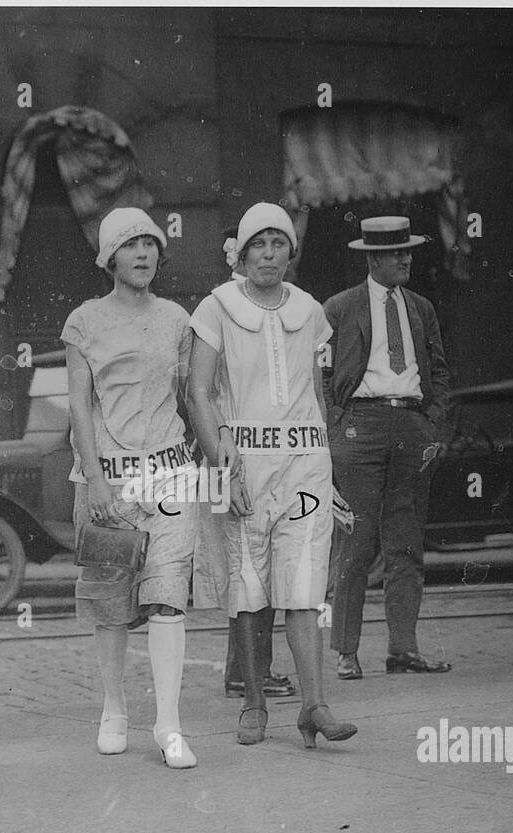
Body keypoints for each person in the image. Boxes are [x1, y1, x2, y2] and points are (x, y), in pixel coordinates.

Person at [188, 202, 357, 748]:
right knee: (248, 584)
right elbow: (197, 392)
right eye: (257, 243)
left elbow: (315, 391)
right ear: (239, 251)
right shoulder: (216, 308)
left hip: (304, 462)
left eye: (277, 243)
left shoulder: (309, 310)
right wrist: (222, 465)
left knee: (304, 583)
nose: (267, 253)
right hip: (239, 462)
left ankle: (315, 705)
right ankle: (255, 702)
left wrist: (323, 467)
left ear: (290, 252)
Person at [65, 207, 197, 768]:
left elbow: (193, 396)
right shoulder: (84, 322)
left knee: (168, 598)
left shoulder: (176, 319)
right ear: (109, 257)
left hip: (170, 476)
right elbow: (78, 406)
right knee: (111, 605)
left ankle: (168, 724)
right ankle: (114, 709)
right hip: (109, 483)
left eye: (150, 244)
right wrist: (95, 479)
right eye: (131, 245)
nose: (143, 254)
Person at [324, 216, 453, 680]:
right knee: (356, 542)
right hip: (361, 426)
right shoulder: (340, 308)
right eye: (397, 252)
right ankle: (345, 650)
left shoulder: (420, 308)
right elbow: (320, 376)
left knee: (407, 543)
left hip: (412, 425)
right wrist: (336, 429)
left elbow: (438, 371)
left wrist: (432, 425)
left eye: (409, 251)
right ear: (373, 257)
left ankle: (404, 649)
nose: (406, 259)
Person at [206, 225, 296, 701]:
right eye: (250, 250)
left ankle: (247, 668)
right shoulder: (223, 311)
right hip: (232, 447)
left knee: (257, 562)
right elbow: (207, 392)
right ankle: (247, 671)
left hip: (264, 447)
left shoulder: (270, 311)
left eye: (274, 246)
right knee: (249, 564)